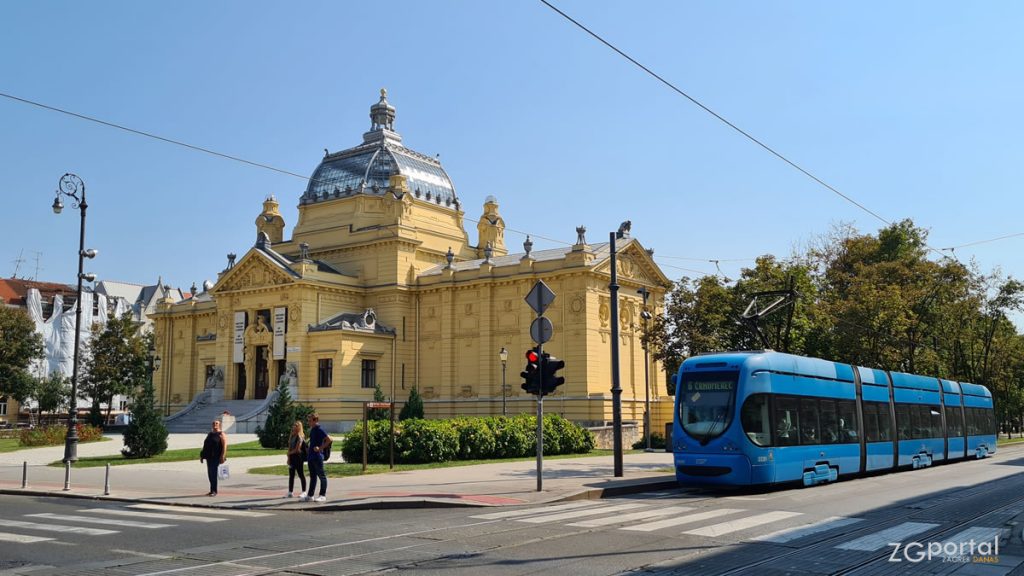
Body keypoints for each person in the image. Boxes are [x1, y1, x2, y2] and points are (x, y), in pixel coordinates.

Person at [301, 412, 331, 503]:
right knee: (313, 476)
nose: (308, 422)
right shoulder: (313, 429)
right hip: (311, 457)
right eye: (308, 420)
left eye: (310, 421)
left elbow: (329, 440)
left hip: (317, 456)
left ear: (316, 420)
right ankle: (310, 495)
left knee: (321, 476)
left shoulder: (319, 429)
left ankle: (322, 495)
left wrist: (320, 448)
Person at [199, 420, 227, 496]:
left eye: (216, 423)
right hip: (209, 457)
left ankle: (214, 491)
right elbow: (205, 445)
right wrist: (202, 456)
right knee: (210, 474)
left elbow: (224, 446)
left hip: (216, 456)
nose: (215, 424)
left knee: (213, 473)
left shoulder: (221, 434)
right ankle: (211, 490)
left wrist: (222, 456)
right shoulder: (210, 434)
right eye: (213, 423)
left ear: (219, 425)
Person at [286, 420, 307, 497]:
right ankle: (290, 492)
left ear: (299, 427)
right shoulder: (292, 435)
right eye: (294, 425)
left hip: (298, 457)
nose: (294, 426)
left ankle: (304, 491)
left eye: (296, 425)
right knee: (291, 475)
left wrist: (289, 453)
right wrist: (288, 457)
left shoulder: (300, 436)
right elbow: (289, 447)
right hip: (292, 457)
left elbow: (297, 449)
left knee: (300, 474)